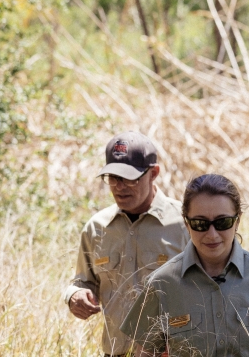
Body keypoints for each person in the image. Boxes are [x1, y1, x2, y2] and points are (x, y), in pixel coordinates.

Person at [120, 173, 249, 357]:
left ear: (238, 221)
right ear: (186, 224)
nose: (212, 234)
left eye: (222, 222)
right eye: (200, 224)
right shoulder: (162, 284)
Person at [64, 131, 189, 356]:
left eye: (129, 178)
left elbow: (213, 287)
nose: (119, 186)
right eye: (113, 177)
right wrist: (75, 296)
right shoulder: (96, 228)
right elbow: (83, 282)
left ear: (154, 173)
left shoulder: (186, 224)